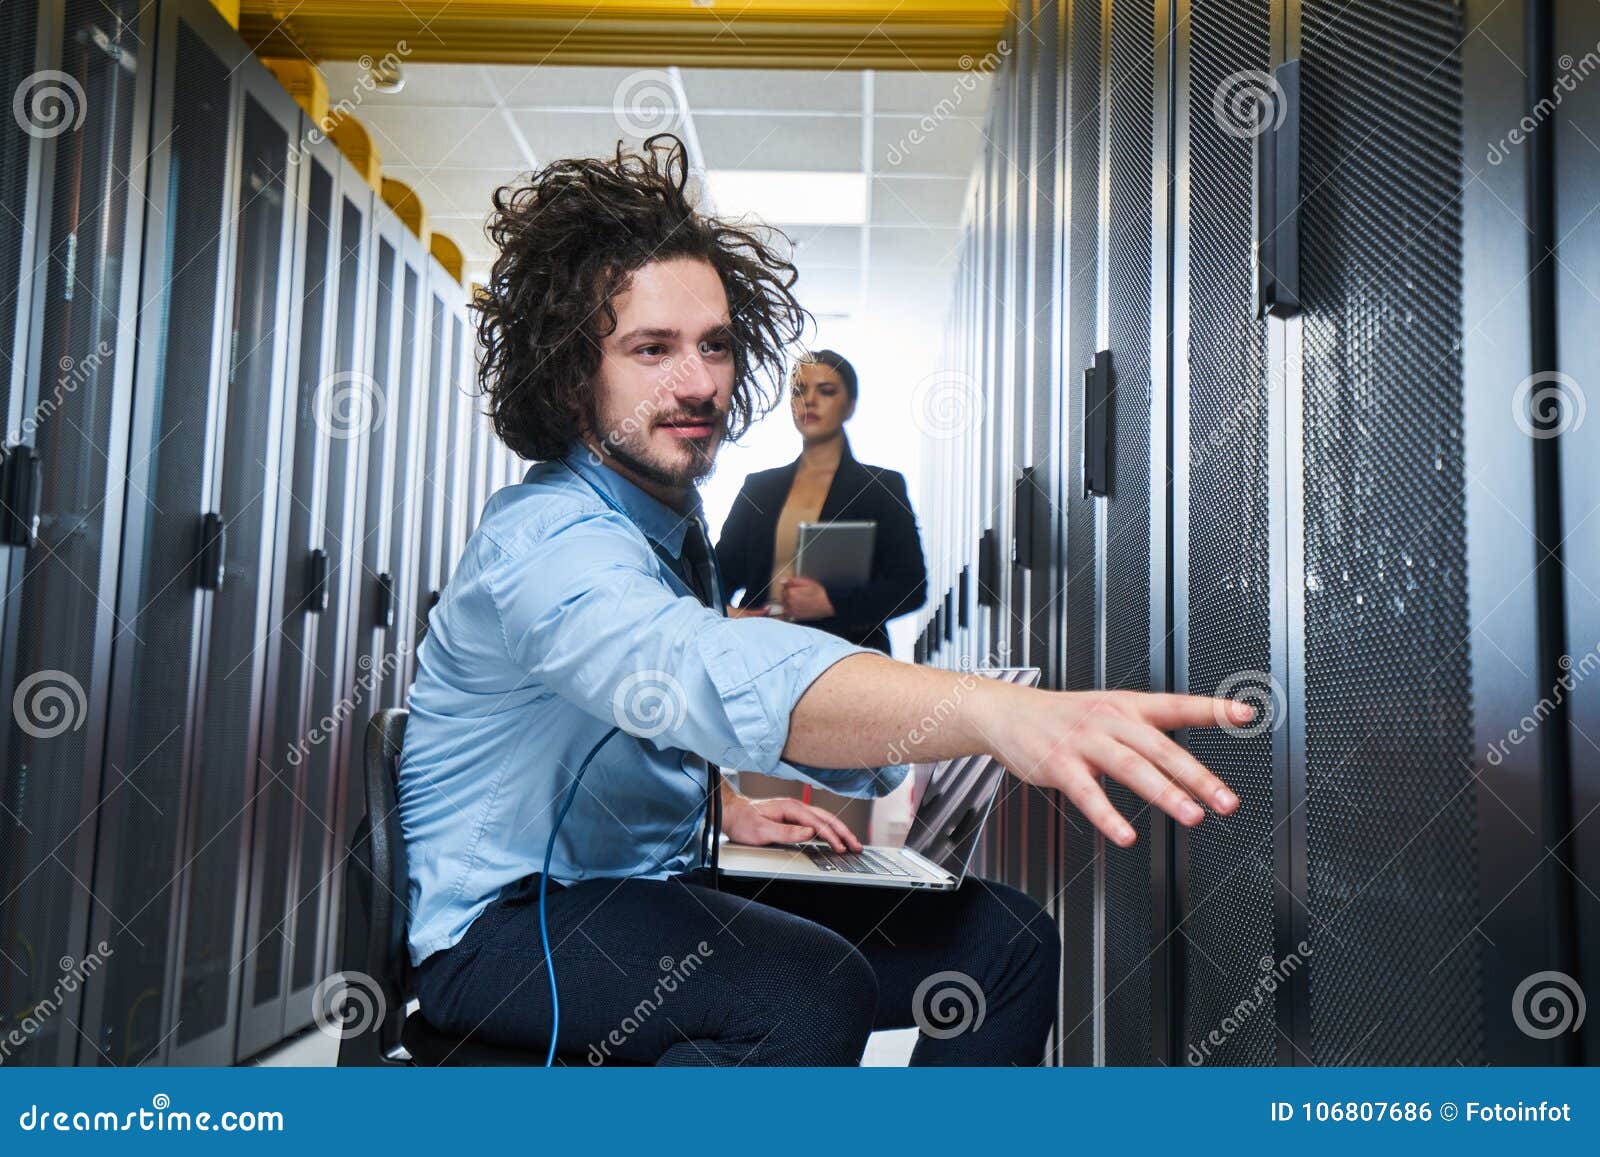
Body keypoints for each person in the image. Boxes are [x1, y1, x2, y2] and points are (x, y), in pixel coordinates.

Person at [396, 134, 1251, 1067]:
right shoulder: (546, 541)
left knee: (1001, 944)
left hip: (645, 882)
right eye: (652, 349)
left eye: (715, 346)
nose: (699, 383)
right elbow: (691, 667)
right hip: (507, 928)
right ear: (571, 376)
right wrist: (993, 712)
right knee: (805, 986)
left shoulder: (666, 529)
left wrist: (719, 804)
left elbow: (632, 711)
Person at [716, 350, 927, 654]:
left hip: (846, 656)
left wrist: (831, 603)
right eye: (800, 391)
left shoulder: (880, 487)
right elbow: (718, 575)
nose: (809, 401)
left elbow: (910, 586)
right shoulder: (759, 487)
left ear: (850, 406)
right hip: (762, 652)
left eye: (826, 391)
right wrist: (729, 612)